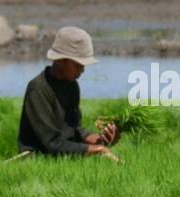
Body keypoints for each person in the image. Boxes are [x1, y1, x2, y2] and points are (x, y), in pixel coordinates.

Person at [17, 26, 121, 160]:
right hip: (38, 158)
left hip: (65, 154)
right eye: (78, 65)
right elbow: (51, 143)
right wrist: (96, 150)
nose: (82, 70)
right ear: (60, 60)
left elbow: (75, 129)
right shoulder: (38, 89)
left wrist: (102, 140)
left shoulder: (72, 86)